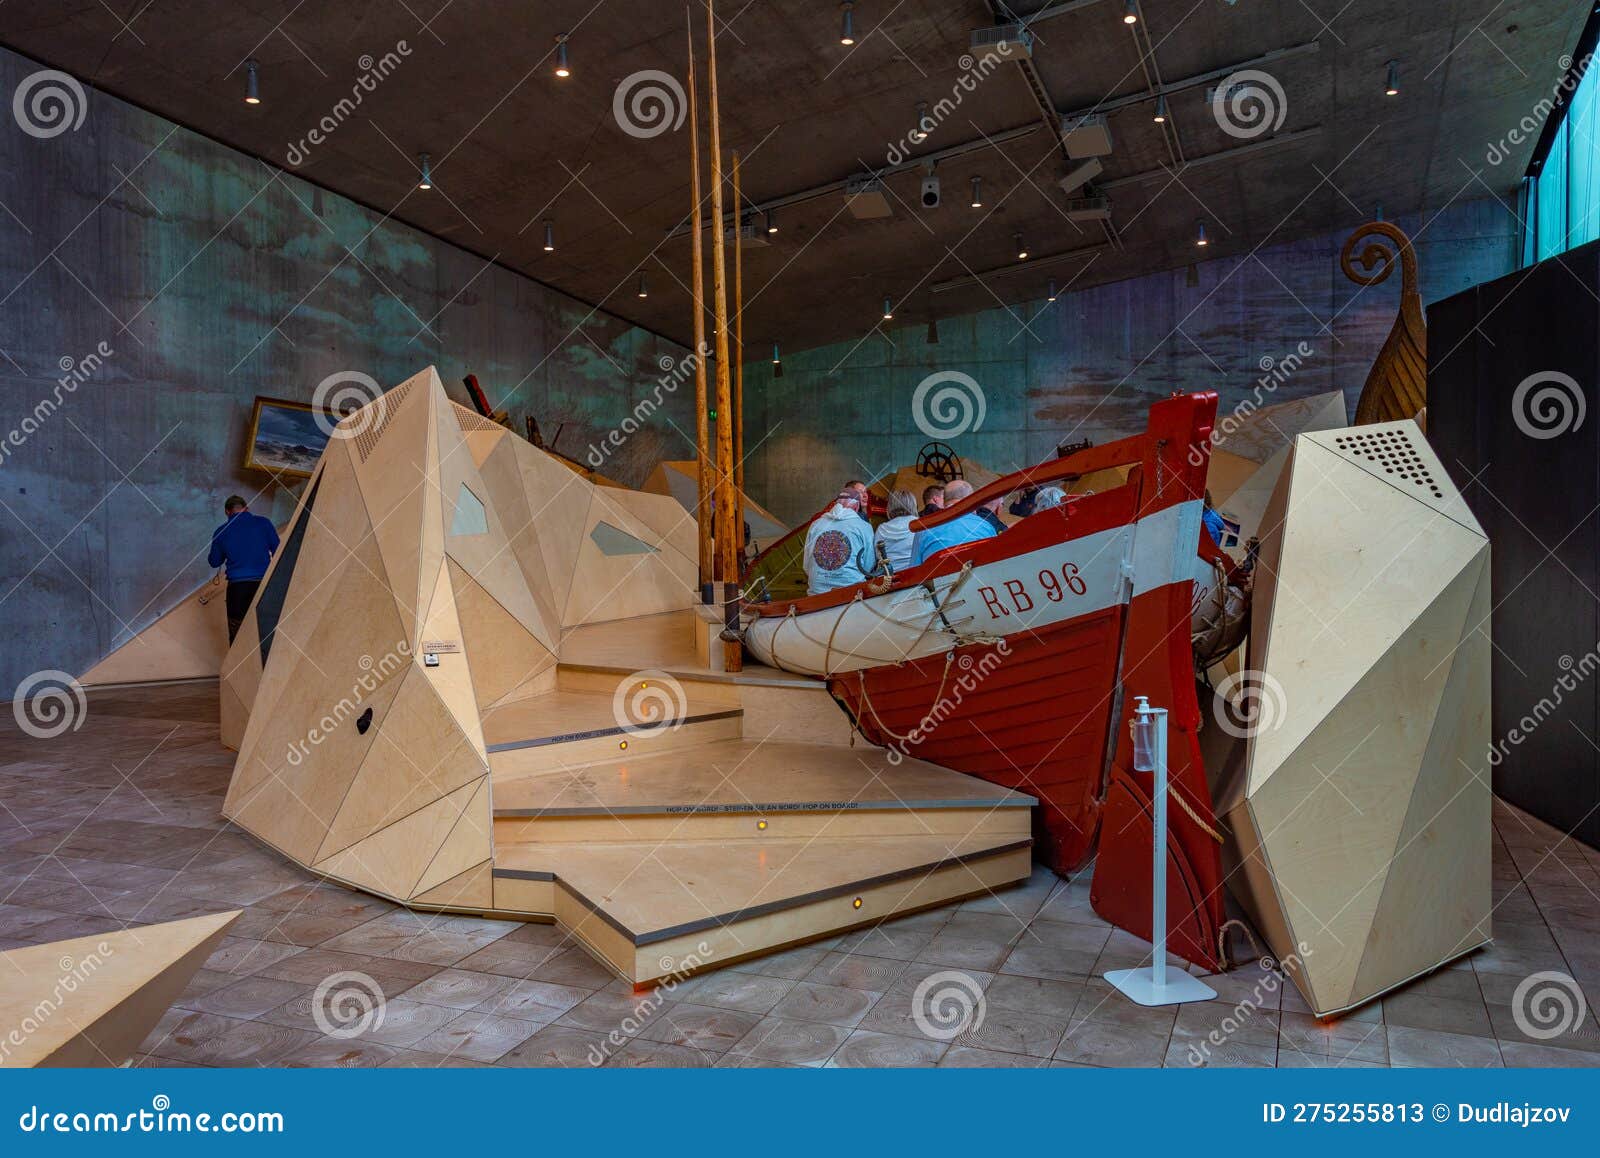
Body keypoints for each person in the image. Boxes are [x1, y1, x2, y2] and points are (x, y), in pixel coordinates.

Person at [209, 495, 280, 642]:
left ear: (227, 512)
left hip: (238, 589)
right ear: (246, 508)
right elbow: (278, 550)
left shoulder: (221, 531)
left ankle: (237, 664)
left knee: (238, 635)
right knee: (266, 632)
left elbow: (214, 562)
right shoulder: (263, 523)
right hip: (264, 584)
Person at [804, 488, 878, 595]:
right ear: (857, 506)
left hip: (817, 592)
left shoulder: (816, 524)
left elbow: (806, 565)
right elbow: (867, 567)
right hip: (852, 592)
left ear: (835, 504)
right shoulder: (864, 526)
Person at [911, 479, 996, 565]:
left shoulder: (923, 529)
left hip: (937, 577)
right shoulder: (987, 527)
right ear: (971, 499)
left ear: (944, 502)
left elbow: (913, 570)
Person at [874, 490, 919, 573]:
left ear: (890, 506)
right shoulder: (920, 524)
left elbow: (878, 556)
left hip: (888, 579)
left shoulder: (881, 528)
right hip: (915, 575)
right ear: (913, 505)